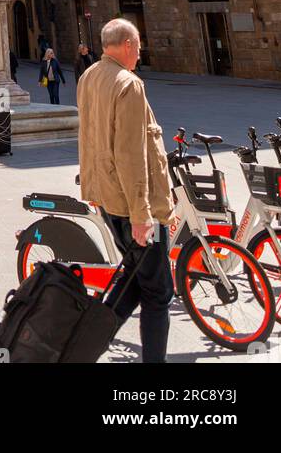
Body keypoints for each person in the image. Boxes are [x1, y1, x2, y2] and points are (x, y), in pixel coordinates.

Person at [77, 18, 174, 364]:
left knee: (135, 280)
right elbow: (131, 155)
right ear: (129, 45)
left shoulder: (89, 76)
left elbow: (87, 138)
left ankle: (83, 346)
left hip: (108, 198)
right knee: (159, 292)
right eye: (139, 46)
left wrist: (92, 187)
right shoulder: (128, 84)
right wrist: (142, 214)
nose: (140, 53)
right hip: (134, 207)